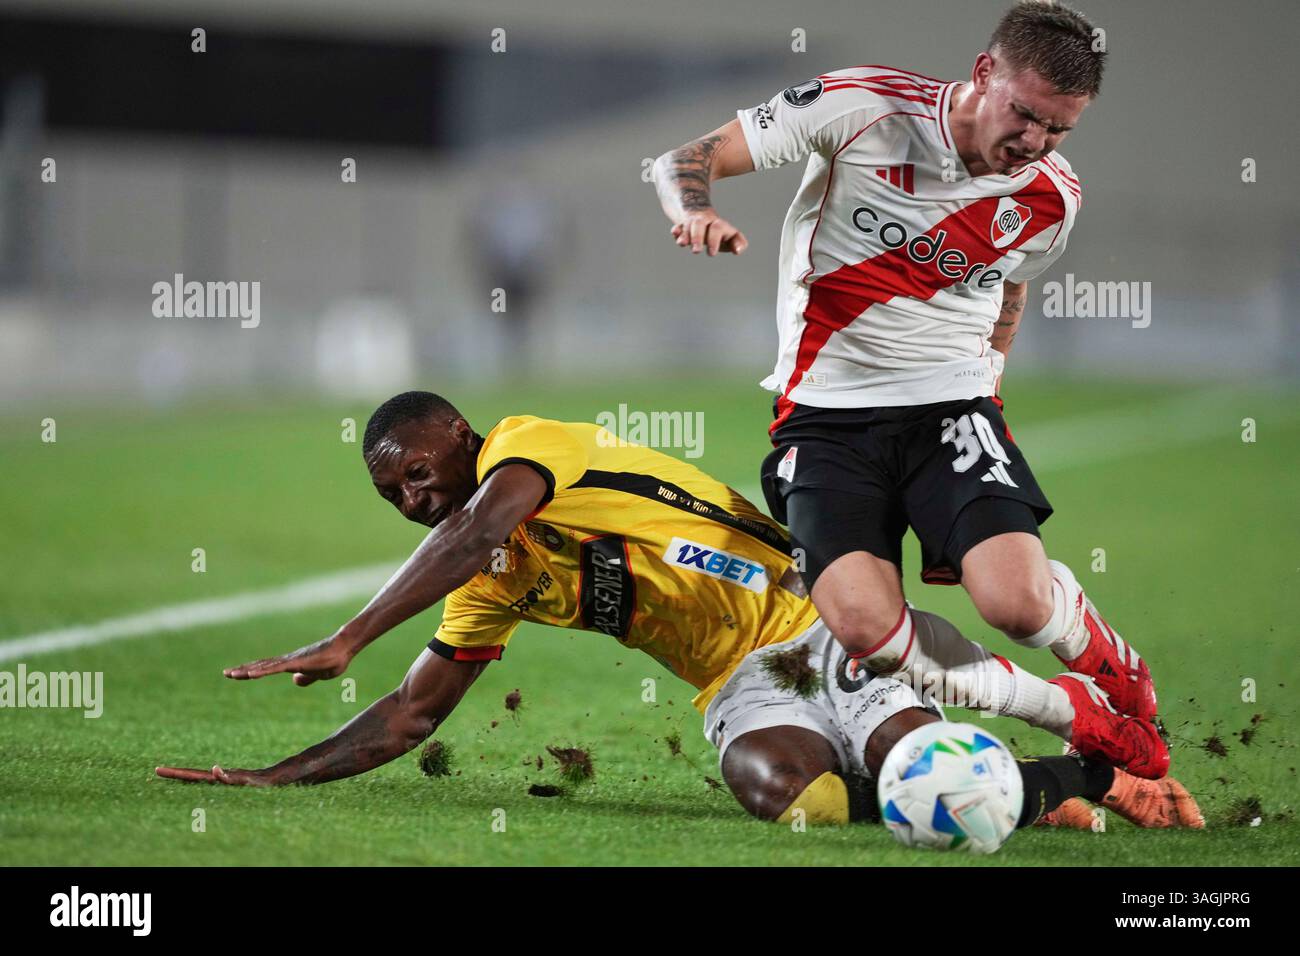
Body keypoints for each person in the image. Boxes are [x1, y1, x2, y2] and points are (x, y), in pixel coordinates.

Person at [157, 391, 1199, 829]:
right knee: (775, 793)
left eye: (423, 475)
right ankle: (998, 783)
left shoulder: (533, 447)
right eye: (397, 496)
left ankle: (1089, 771)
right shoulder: (487, 577)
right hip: (740, 682)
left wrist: (348, 632)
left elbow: (472, 527)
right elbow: (409, 715)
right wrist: (269, 773)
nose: (416, 501)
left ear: (467, 440)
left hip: (822, 612)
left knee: (910, 776)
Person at [651, 2, 1165, 778]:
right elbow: (685, 158)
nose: (1034, 143)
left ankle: (1105, 653)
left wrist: (987, 383)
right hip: (822, 417)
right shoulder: (863, 107)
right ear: (984, 73)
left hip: (948, 408)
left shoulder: (1052, 197)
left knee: (1017, 606)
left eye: (1058, 130)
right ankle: (1067, 710)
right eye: (1024, 116)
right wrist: (697, 212)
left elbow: (1008, 290)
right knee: (866, 632)